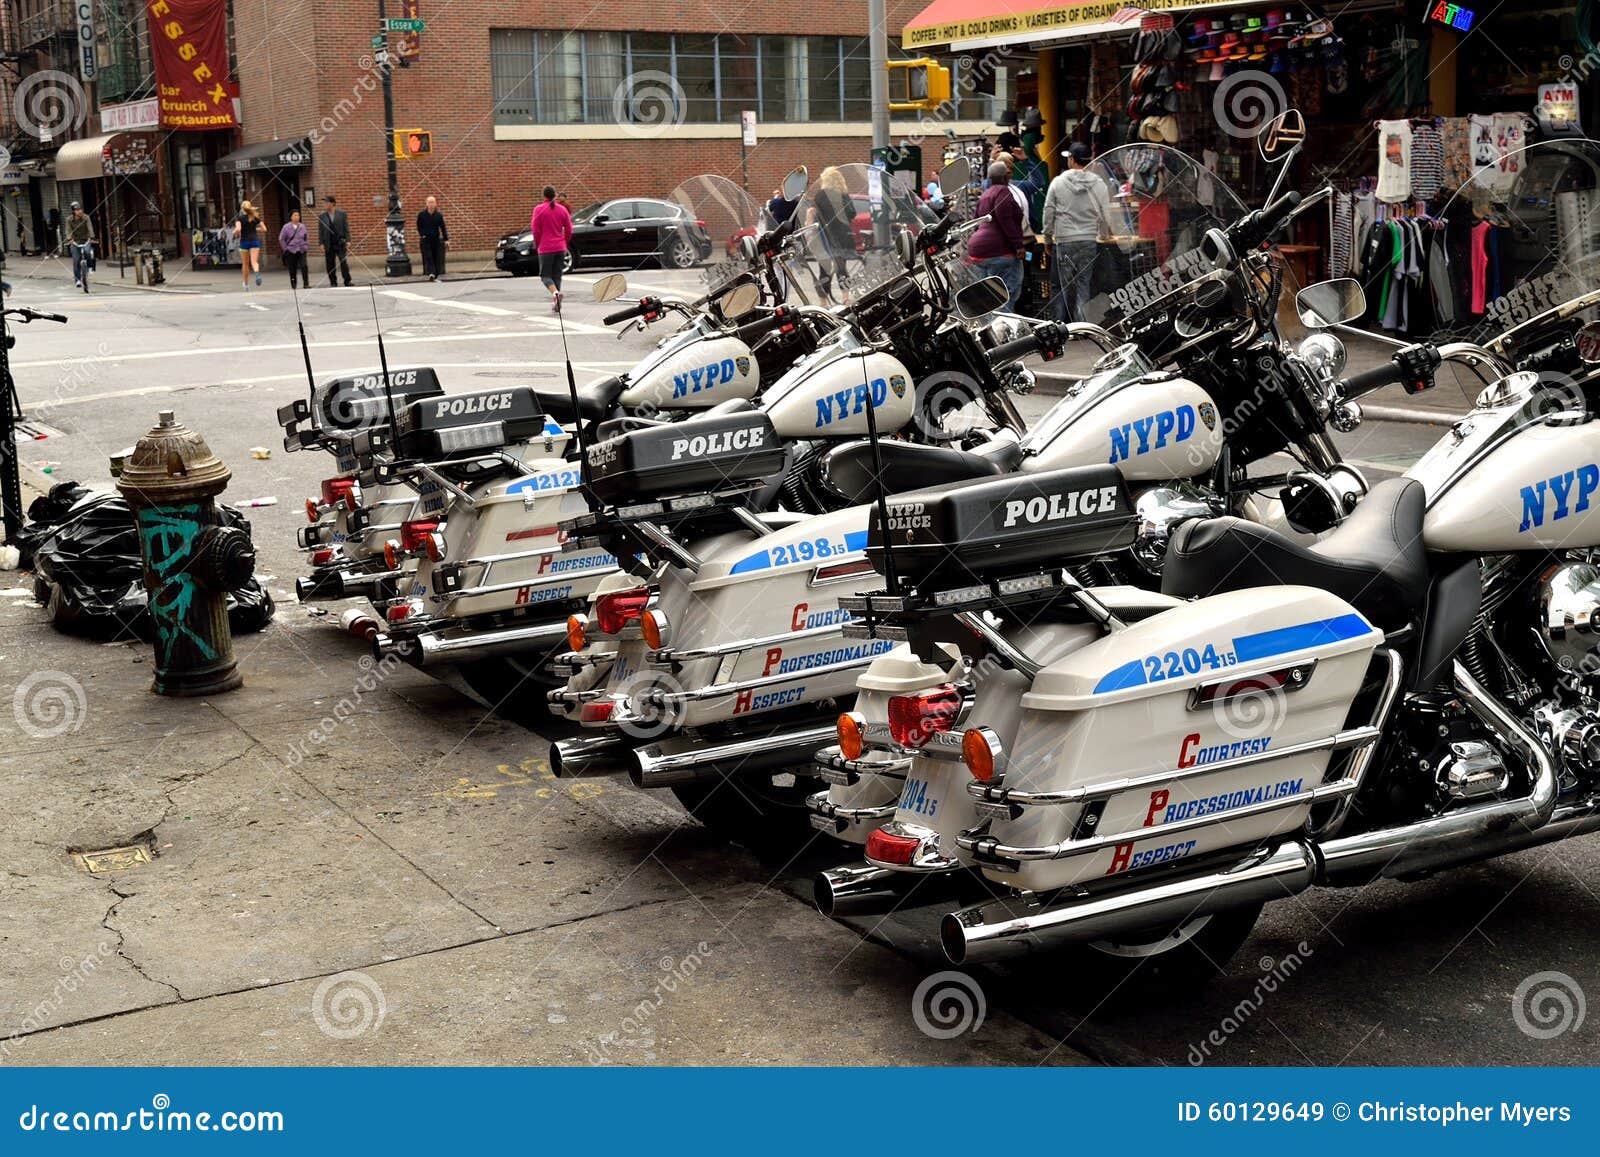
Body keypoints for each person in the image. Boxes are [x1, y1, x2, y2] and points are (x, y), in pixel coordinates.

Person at [1042, 142, 1114, 323]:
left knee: (1060, 286)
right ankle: (1081, 326)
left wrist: (1047, 239)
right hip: (1088, 241)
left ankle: (1058, 325)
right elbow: (1106, 213)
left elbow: (1048, 211)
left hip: (1064, 241)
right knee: (1083, 285)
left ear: (1072, 160)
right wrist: (1104, 235)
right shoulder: (1098, 184)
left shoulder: (1058, 182)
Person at [966, 161, 1026, 313]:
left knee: (989, 298)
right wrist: (1018, 245)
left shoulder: (986, 194)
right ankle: (1005, 331)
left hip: (978, 253)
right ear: (1005, 176)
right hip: (1000, 252)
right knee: (1006, 294)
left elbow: (976, 222)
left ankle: (990, 329)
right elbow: (1005, 219)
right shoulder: (1002, 192)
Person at [808, 166, 856, 305]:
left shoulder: (820, 195)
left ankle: (823, 301)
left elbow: (815, 216)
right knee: (842, 268)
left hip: (825, 238)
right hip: (843, 236)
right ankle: (846, 298)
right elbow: (853, 213)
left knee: (825, 269)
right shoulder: (844, 195)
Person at [530, 186, 572, 313]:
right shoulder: (562, 209)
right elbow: (569, 229)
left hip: (546, 247)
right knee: (557, 276)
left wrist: (538, 244)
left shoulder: (538, 210)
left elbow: (536, 230)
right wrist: (564, 242)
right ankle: (556, 302)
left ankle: (555, 294)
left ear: (544, 196)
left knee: (545, 276)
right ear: (555, 196)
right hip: (560, 247)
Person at [318, 195, 352, 287]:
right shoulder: (322, 216)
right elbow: (320, 231)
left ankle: (347, 280)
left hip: (340, 242)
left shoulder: (342, 214)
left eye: (327, 202)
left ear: (333, 203)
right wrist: (321, 243)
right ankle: (333, 281)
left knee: (343, 262)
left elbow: (346, 228)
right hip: (328, 243)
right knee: (330, 264)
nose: (325, 204)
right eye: (324, 202)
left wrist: (348, 240)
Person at [62, 201, 95, 291]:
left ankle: (90, 267)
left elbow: (90, 228)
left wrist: (91, 237)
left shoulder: (86, 217)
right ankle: (77, 280)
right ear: (73, 211)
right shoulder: (69, 219)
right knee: (76, 260)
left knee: (88, 252)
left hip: (86, 239)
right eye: (77, 210)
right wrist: (70, 239)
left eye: (80, 209)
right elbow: (68, 230)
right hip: (75, 241)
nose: (80, 211)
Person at [416, 195, 448, 281]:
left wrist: (446, 239)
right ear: (426, 204)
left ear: (436, 204)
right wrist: (422, 234)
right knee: (428, 256)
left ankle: (435, 273)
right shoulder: (421, 215)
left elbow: (443, 227)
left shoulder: (438, 215)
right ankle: (431, 273)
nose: (431, 204)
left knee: (435, 256)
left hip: (435, 239)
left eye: (433, 202)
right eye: (429, 202)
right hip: (426, 239)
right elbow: (419, 226)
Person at [234, 199, 264, 289]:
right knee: (254, 262)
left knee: (245, 264)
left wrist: (234, 232)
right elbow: (264, 229)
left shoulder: (239, 218)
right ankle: (257, 273)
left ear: (242, 209)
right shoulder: (255, 217)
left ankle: (246, 284)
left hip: (244, 242)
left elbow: (238, 229)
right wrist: (255, 229)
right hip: (255, 241)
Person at [278, 209, 311, 290]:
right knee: (292, 268)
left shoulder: (302, 226)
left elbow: (306, 237)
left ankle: (306, 283)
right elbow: (281, 239)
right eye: (295, 215)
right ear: (291, 217)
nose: (297, 217)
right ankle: (294, 284)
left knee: (304, 266)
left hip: (302, 249)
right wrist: (286, 249)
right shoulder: (286, 227)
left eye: (298, 215)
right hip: (291, 250)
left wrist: (306, 245)